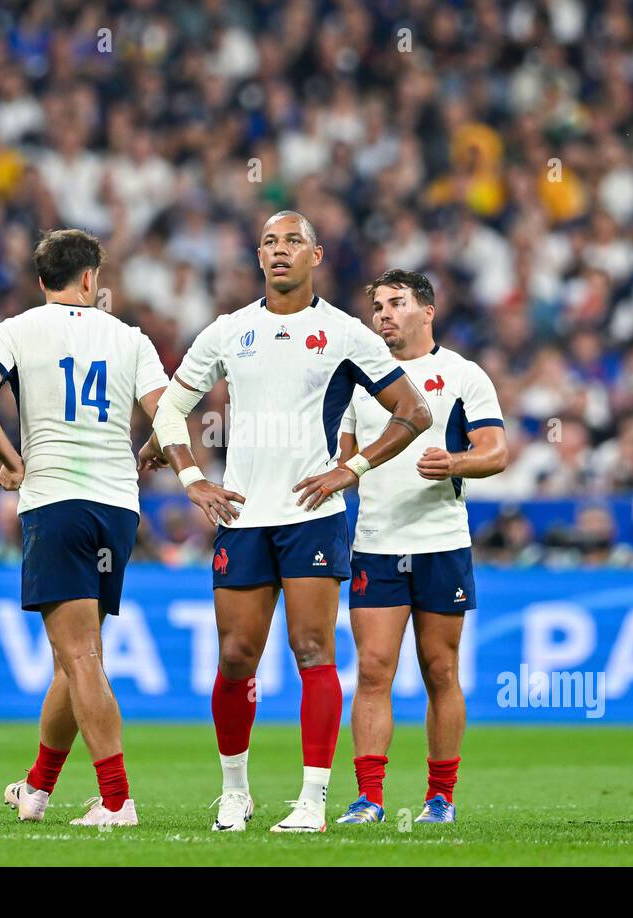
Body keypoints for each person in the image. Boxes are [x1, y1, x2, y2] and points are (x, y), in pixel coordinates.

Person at [143, 211, 432, 832]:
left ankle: (312, 803)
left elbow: (415, 412)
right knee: (236, 656)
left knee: (312, 651)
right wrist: (192, 478)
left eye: (292, 241)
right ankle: (234, 793)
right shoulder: (228, 331)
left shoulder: (347, 334)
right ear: (259, 256)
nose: (280, 251)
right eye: (270, 242)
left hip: (312, 515)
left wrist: (350, 468)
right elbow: (169, 407)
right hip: (243, 516)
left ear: (316, 255)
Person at [0, 228, 169, 827]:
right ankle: (37, 789)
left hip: (56, 503)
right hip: (118, 509)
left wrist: (12, 460)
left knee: (79, 658)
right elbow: (170, 410)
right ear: (91, 280)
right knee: (74, 662)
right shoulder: (131, 337)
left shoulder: (18, 329)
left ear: (42, 280)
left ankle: (118, 799)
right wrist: (153, 451)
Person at [334, 270, 506, 825]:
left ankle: (441, 798)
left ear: (427, 311)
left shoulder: (462, 375)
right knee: (374, 668)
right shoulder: (359, 381)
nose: (384, 313)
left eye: (396, 303)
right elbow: (345, 460)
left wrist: (455, 462)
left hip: (440, 542)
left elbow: (497, 451)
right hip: (377, 542)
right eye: (377, 305)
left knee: (440, 670)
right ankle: (369, 798)